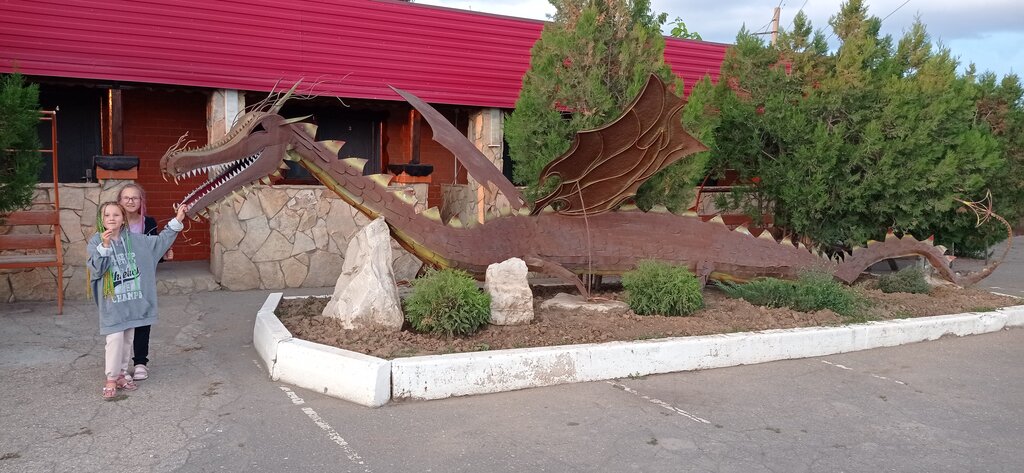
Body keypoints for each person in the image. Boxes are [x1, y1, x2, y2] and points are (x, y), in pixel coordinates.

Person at [87, 201, 187, 400]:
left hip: (132, 300)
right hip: (112, 302)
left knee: (127, 339)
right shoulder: (96, 241)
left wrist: (177, 220)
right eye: (107, 215)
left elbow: (160, 242)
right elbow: (97, 270)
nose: (111, 218)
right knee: (115, 339)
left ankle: (122, 374)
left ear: (123, 218)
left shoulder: (137, 241)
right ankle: (111, 378)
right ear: (101, 219)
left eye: (116, 215)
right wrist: (105, 247)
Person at [118, 183, 172, 381]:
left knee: (143, 320)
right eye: (126, 198)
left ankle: (140, 362)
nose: (131, 201)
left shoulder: (148, 223)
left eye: (135, 198)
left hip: (142, 278)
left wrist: (165, 253)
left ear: (141, 201)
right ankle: (121, 366)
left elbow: (154, 250)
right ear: (120, 201)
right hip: (120, 279)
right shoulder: (114, 222)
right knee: (122, 323)